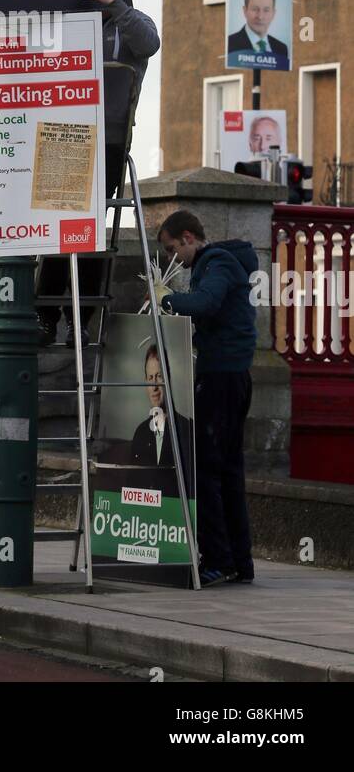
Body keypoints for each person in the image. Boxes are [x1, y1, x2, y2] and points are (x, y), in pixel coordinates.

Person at [36, 0, 159, 347]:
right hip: (63, 137)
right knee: (60, 231)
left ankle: (81, 319)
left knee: (88, 233)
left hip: (107, 142)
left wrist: (115, 4)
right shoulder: (69, 24)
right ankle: (46, 315)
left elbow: (149, 44)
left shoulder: (132, 21)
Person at [157, 209, 258, 587]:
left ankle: (218, 559)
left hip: (221, 377)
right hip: (232, 376)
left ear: (188, 238)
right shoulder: (226, 263)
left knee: (206, 468)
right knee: (228, 470)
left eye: (171, 250)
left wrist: (167, 301)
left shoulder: (216, 261)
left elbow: (206, 303)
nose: (172, 259)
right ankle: (239, 563)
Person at [129, 343, 193, 481]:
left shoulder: (187, 429)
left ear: (168, 378)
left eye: (159, 376)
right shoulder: (140, 432)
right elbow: (131, 482)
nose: (154, 386)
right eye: (150, 378)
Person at [227, 0, 289, 68]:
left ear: (273, 13)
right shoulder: (230, 44)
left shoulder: (282, 49)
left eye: (266, 10)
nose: (260, 16)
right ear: (245, 11)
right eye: (255, 9)